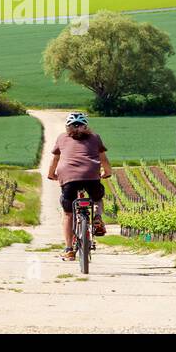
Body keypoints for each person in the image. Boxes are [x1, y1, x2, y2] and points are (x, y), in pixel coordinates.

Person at [46, 111, 110, 261]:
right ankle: (98, 218)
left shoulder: (62, 138)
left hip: (68, 176)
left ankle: (69, 249)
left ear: (67, 127)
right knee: (97, 197)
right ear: (85, 125)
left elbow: (55, 160)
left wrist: (51, 174)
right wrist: (107, 172)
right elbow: (104, 159)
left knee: (68, 213)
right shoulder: (95, 137)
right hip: (91, 175)